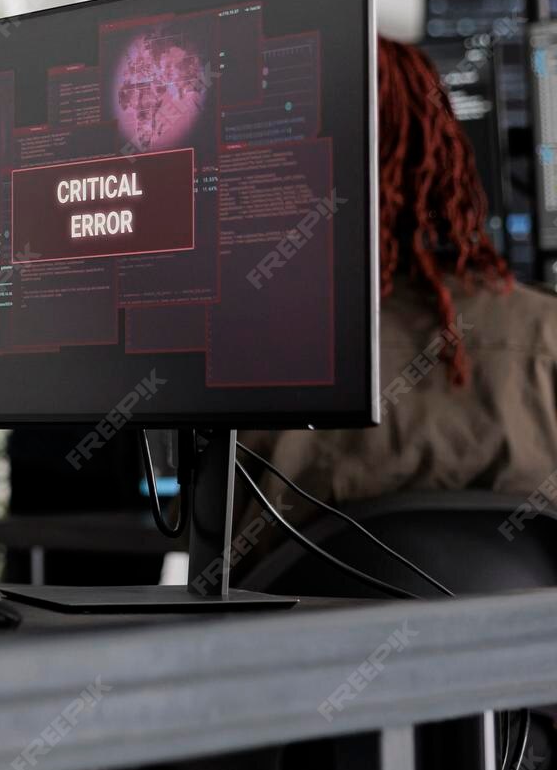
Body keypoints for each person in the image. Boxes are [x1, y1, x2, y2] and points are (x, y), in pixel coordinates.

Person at [237, 35, 557, 560]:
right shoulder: (547, 339)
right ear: (444, 145)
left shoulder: (243, 365)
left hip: (300, 645)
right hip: (518, 644)